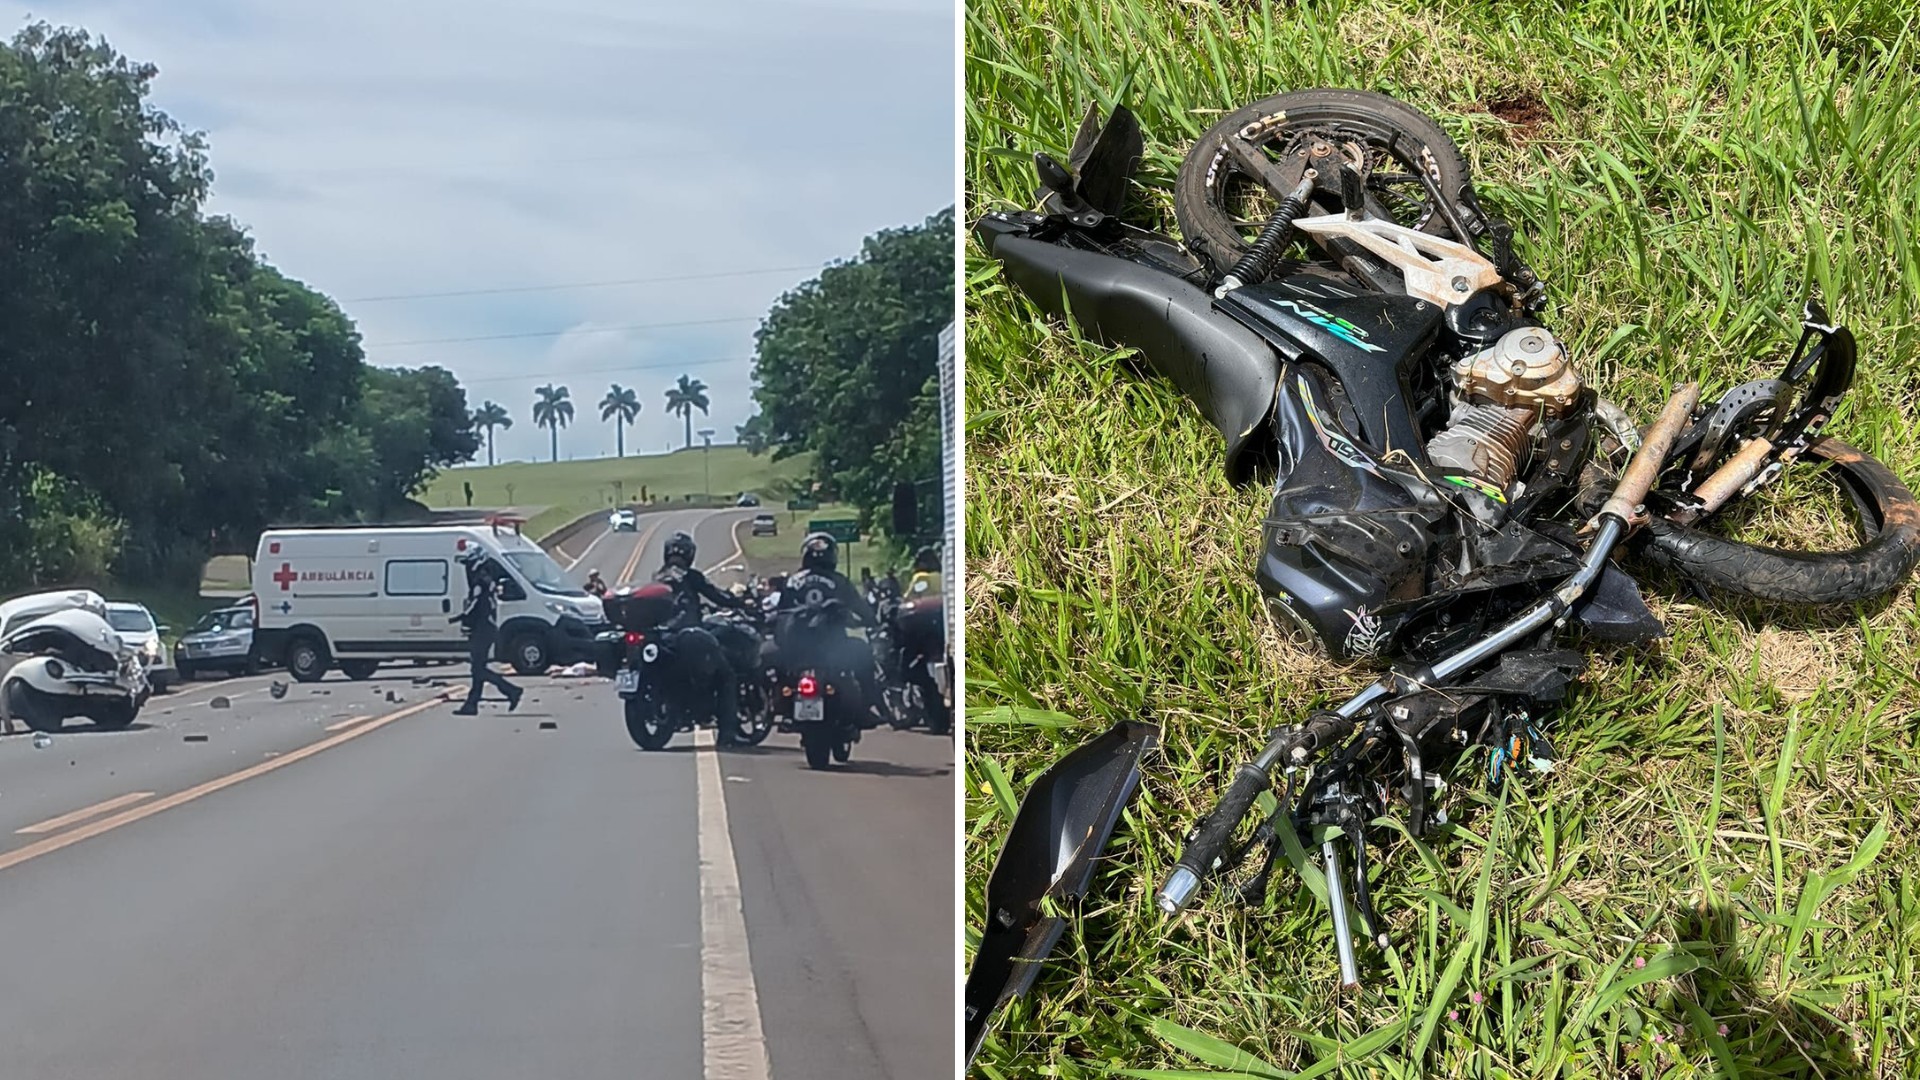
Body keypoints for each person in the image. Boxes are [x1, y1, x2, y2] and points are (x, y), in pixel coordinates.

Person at [774, 531, 884, 724]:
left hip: (797, 650)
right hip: (832, 648)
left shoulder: (792, 581)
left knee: (775, 665)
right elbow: (861, 608)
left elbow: (780, 611)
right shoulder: (839, 581)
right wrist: (871, 620)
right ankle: (867, 707)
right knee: (864, 655)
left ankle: (776, 707)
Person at [450, 547, 523, 715]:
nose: (467, 568)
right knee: (478, 669)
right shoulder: (487, 579)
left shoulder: (480, 581)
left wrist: (461, 617)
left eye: (469, 564)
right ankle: (471, 704)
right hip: (486, 628)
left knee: (478, 669)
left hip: (483, 629)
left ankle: (511, 690)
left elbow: (475, 605)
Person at [652, 532, 750, 629]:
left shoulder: (657, 577)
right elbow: (717, 596)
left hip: (662, 630)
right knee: (728, 630)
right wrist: (741, 602)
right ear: (689, 554)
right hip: (688, 629)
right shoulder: (691, 575)